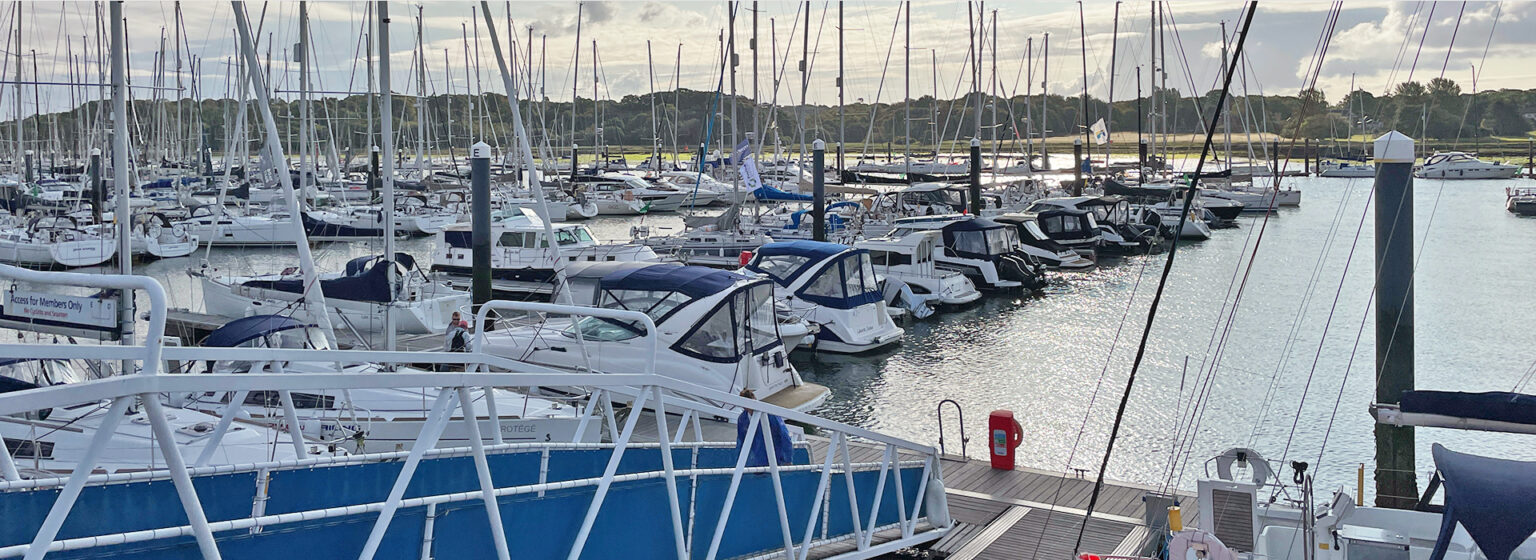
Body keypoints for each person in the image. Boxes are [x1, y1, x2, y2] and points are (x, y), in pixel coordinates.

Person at [735, 389, 794, 468]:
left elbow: (784, 436)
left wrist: (787, 459)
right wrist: (740, 461)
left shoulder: (770, 415)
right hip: (757, 459)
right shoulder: (742, 419)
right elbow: (741, 441)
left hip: (775, 456)